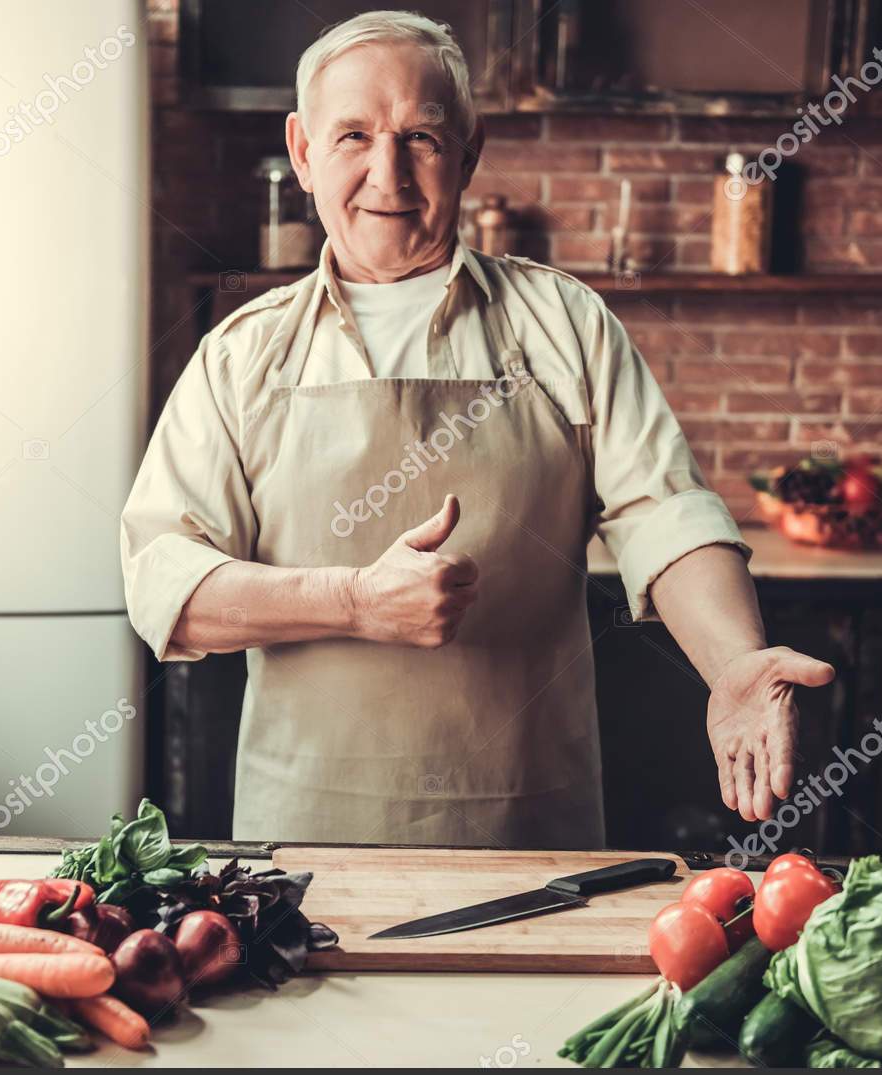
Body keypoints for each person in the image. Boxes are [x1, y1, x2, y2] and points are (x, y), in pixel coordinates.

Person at [121, 10, 834, 848]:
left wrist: (733, 664)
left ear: (469, 149)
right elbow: (167, 585)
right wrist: (353, 602)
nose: (387, 175)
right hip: (309, 831)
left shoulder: (565, 321)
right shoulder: (242, 355)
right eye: (352, 135)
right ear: (304, 153)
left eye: (420, 137)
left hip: (531, 829)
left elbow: (664, 513)